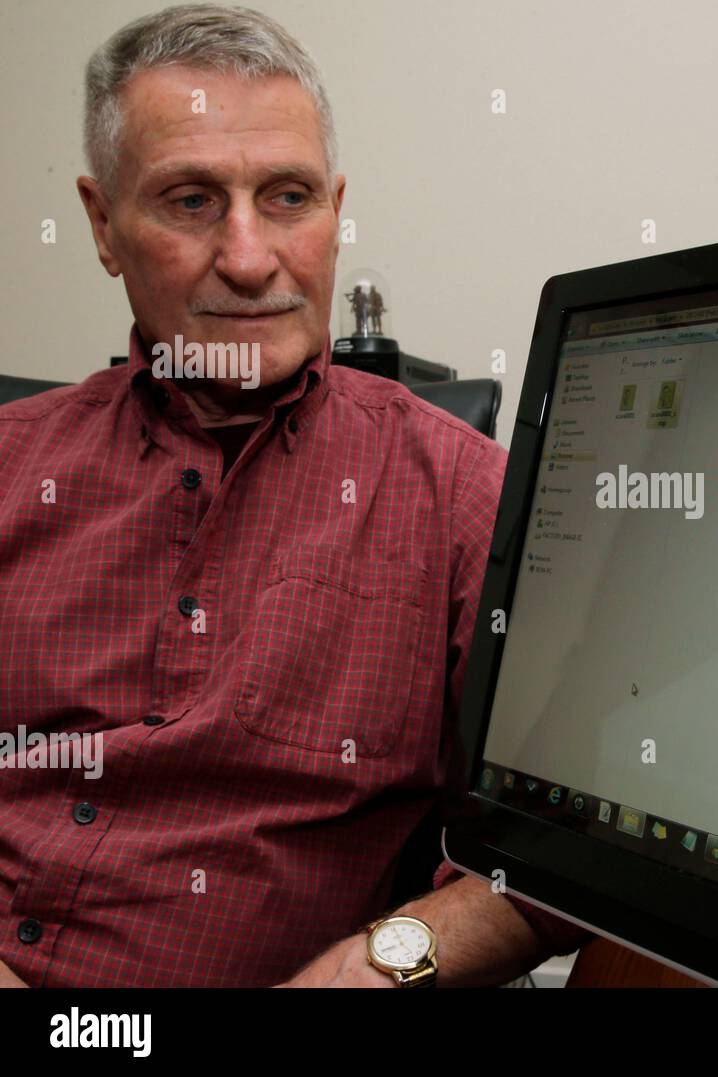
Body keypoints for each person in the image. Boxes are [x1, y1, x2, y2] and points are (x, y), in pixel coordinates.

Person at [0, 4, 587, 988]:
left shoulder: (463, 500)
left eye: (287, 198)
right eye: (190, 201)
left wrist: (378, 970)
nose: (248, 257)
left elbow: (553, 851)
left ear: (335, 208)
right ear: (103, 225)